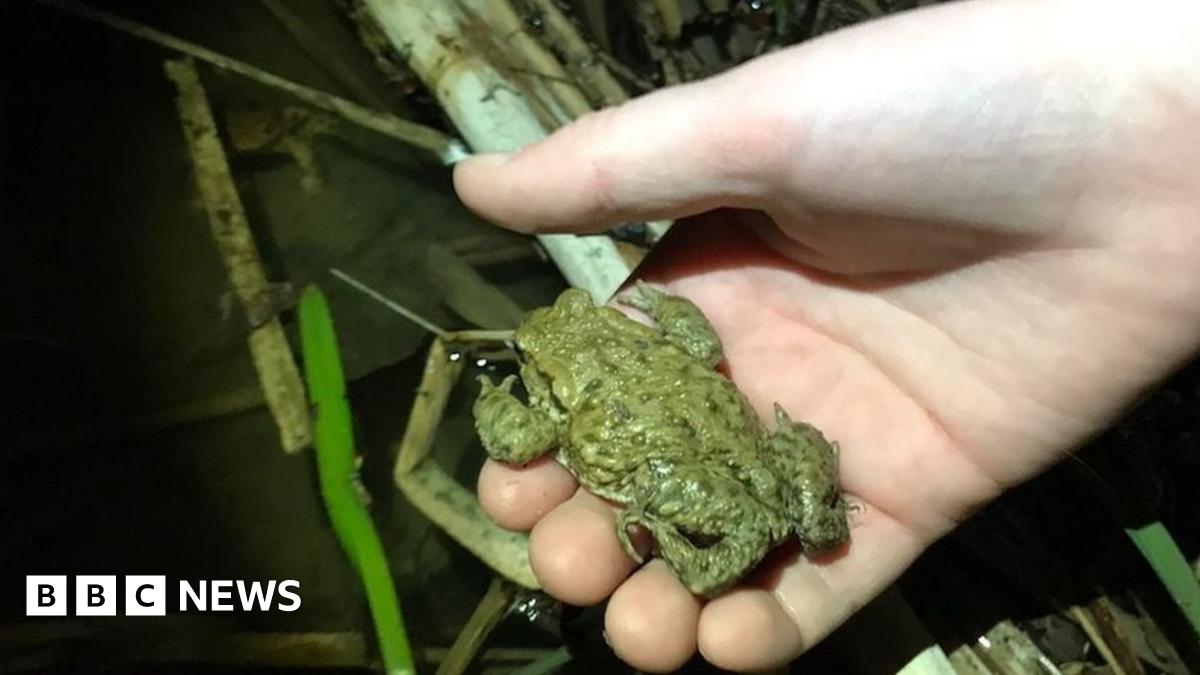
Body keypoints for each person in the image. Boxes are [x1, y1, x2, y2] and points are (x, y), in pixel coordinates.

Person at [452, 0, 1200, 671]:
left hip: (692, 460)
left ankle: (712, 561)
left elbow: (519, 440)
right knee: (766, 503)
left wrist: (493, 395)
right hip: (714, 436)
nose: (558, 325)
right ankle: (800, 515)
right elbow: (701, 345)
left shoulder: (561, 402)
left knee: (718, 516)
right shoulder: (641, 351)